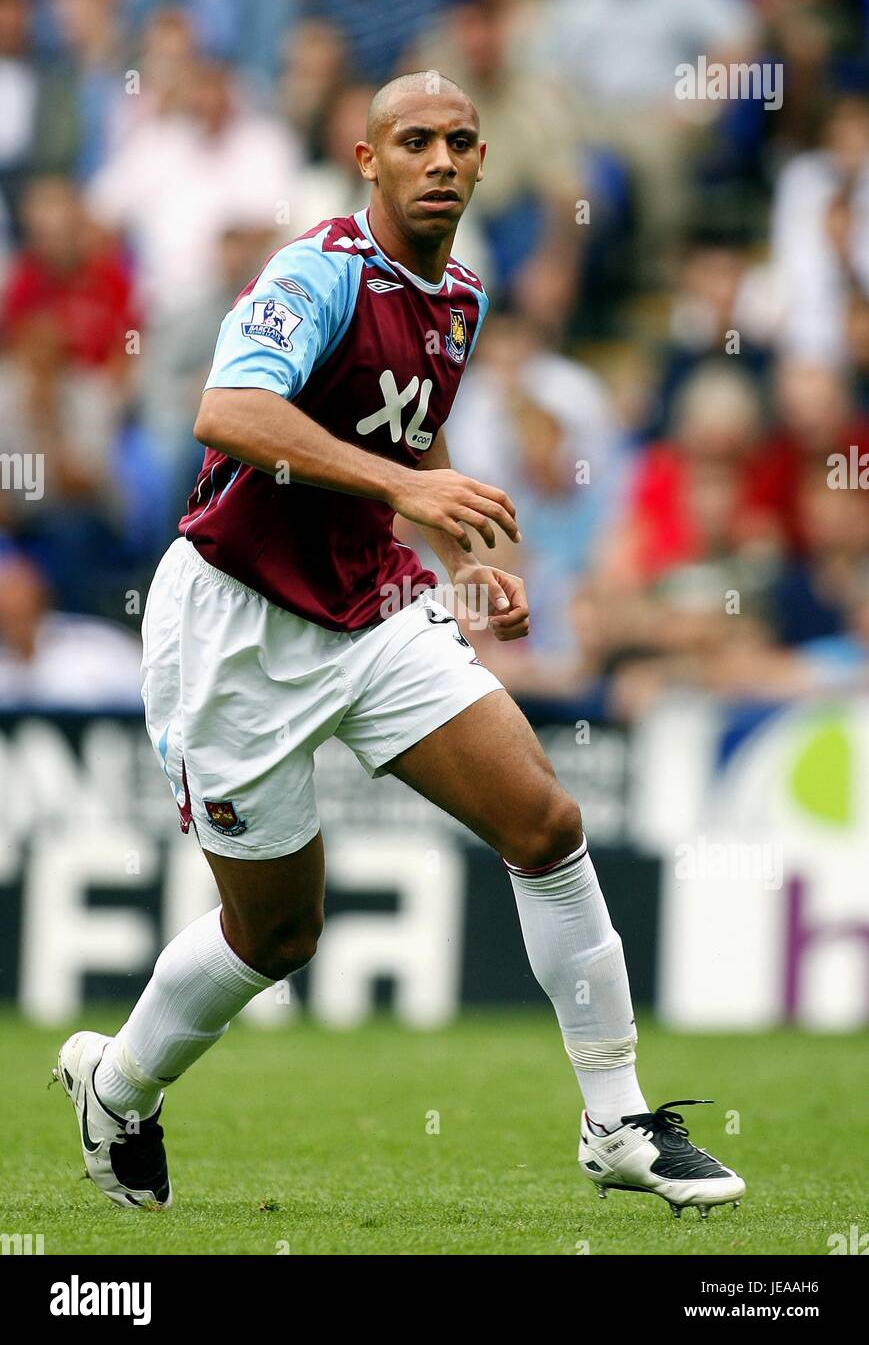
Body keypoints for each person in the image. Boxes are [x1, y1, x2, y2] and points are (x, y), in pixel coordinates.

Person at [54, 72, 745, 1219]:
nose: (438, 159)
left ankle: (616, 1119)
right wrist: (404, 484)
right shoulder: (316, 270)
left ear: (482, 166)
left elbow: (390, 451)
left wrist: (448, 546)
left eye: (459, 142)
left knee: (544, 822)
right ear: (366, 159)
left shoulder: (462, 297)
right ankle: (117, 1086)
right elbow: (228, 413)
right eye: (412, 140)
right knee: (277, 933)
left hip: (371, 611)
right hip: (235, 625)